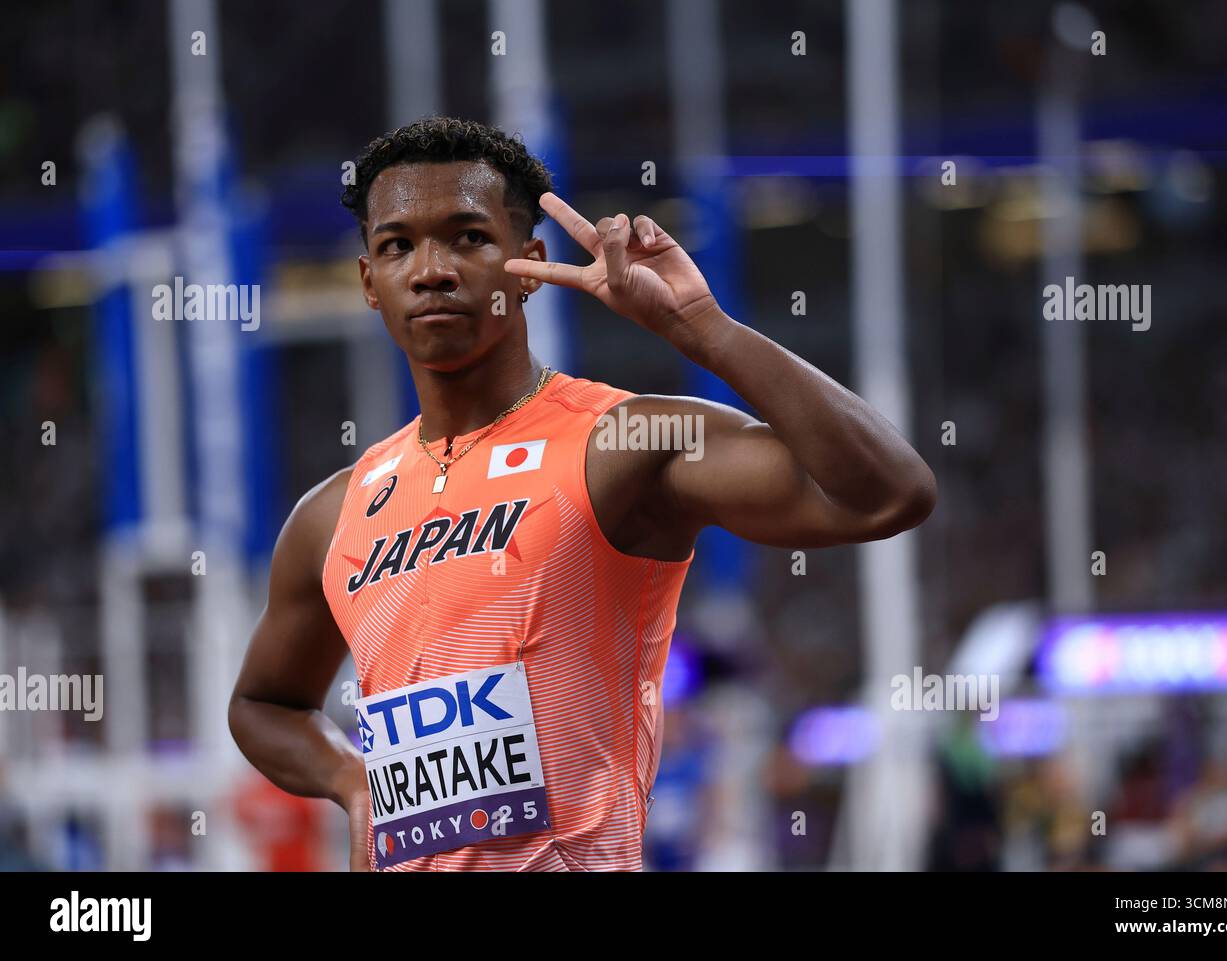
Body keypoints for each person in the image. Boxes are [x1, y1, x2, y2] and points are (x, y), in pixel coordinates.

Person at [228, 116, 936, 871]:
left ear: (528, 263)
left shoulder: (618, 446)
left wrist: (704, 329)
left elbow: (888, 493)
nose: (431, 269)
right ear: (371, 281)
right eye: (398, 244)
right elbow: (263, 704)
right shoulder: (335, 512)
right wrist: (353, 780)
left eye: (468, 236)